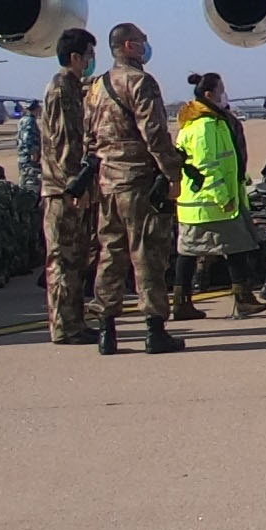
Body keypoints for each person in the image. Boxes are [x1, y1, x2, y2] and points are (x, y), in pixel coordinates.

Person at [82, 23, 188, 353]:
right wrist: (172, 174)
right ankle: (154, 329)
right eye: (142, 42)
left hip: (107, 183)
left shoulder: (96, 86)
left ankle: (106, 331)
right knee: (147, 255)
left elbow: (88, 135)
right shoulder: (140, 82)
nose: (146, 47)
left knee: (110, 254)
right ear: (129, 46)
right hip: (138, 181)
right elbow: (154, 134)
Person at [173, 73, 265, 320]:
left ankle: (182, 301)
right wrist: (224, 197)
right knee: (234, 247)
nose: (226, 94)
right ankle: (241, 297)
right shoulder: (205, 126)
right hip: (210, 203)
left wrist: (239, 180)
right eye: (221, 89)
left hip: (199, 203)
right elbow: (208, 165)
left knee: (192, 251)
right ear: (209, 95)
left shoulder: (206, 122)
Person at [32, 28, 100, 345]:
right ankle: (64, 325)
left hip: (70, 188)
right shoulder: (62, 90)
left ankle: (75, 321)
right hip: (63, 190)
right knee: (63, 259)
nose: (90, 61)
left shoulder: (75, 87)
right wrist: (77, 186)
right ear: (75, 57)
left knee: (76, 259)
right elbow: (66, 146)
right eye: (88, 55)